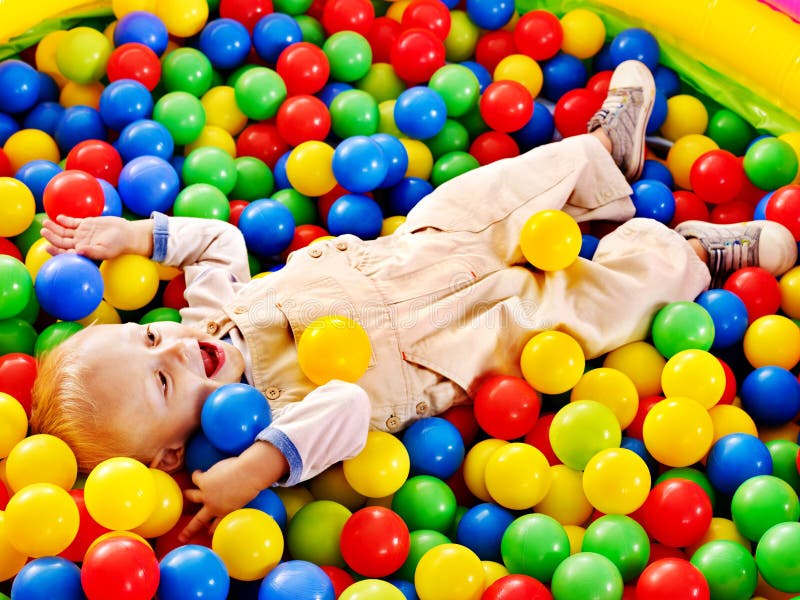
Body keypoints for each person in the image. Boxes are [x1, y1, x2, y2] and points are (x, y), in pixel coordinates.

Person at [30, 61, 797, 541]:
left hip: (429, 246)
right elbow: (348, 411)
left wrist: (139, 235)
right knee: (595, 310)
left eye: (146, 338)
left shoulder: (209, 314)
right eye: (162, 382)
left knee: (496, 188)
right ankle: (688, 254)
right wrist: (257, 468)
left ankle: (601, 157)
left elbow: (221, 245)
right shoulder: (261, 433)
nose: (170, 349)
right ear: (170, 454)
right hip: (475, 339)